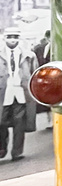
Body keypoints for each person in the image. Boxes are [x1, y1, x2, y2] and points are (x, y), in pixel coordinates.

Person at [0, 28, 36, 161]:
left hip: (21, 93)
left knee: (19, 123)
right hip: (3, 93)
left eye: (15, 36)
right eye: (9, 37)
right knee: (1, 122)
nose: (12, 39)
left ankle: (17, 151)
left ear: (19, 38)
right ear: (4, 38)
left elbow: (34, 74)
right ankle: (2, 147)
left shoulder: (28, 55)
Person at [32, 29, 52, 130]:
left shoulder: (58, 48)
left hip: (53, 78)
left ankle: (53, 120)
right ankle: (49, 120)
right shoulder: (39, 48)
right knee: (46, 100)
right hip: (42, 77)